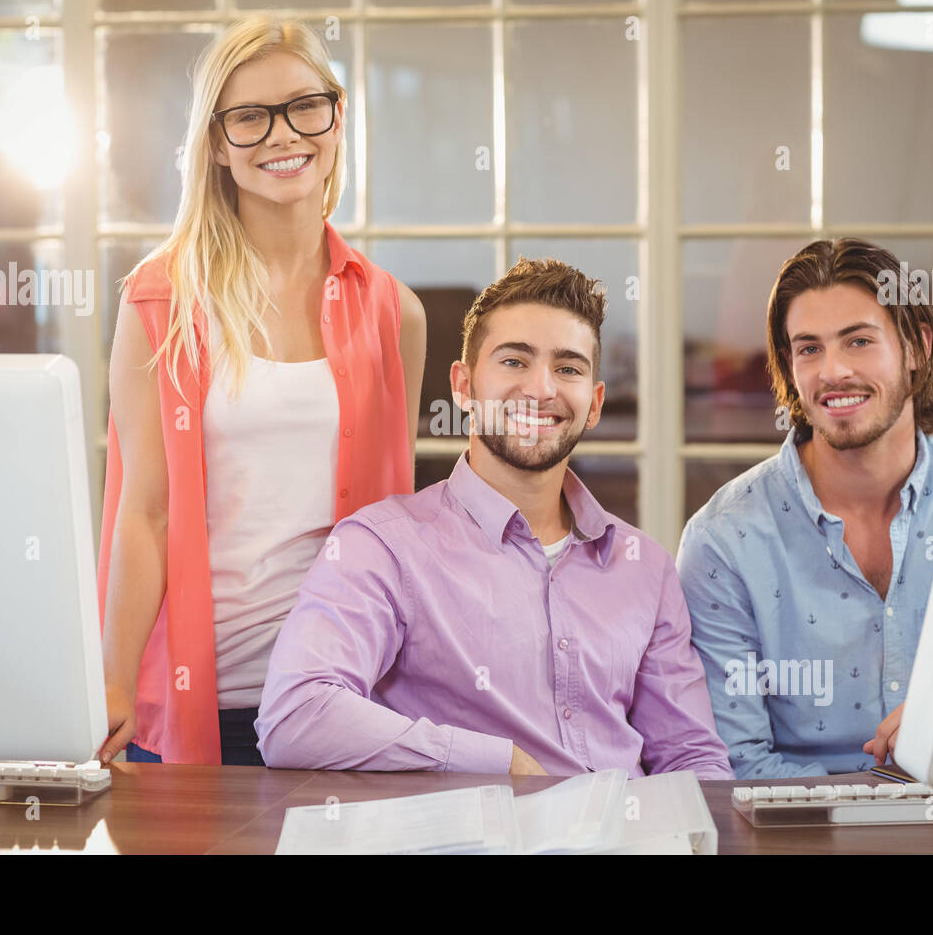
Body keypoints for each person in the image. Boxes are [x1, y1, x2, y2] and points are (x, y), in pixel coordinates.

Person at [255, 257, 732, 780]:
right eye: (514, 361)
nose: (541, 389)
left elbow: (692, 758)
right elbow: (296, 716)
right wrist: (495, 761)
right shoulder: (382, 547)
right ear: (463, 386)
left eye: (568, 368)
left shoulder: (646, 567)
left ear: (593, 404)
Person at [96, 15, 426, 766]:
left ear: (336, 118)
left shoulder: (393, 313)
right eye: (249, 117)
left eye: (305, 107)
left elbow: (396, 525)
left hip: (342, 696)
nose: (284, 135)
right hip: (191, 702)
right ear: (215, 143)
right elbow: (142, 515)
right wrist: (112, 682)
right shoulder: (160, 302)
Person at [677, 237, 933, 778]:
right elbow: (735, 767)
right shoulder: (723, 541)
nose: (833, 372)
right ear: (789, 365)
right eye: (809, 348)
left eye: (858, 341)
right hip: (806, 835)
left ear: (917, 346)